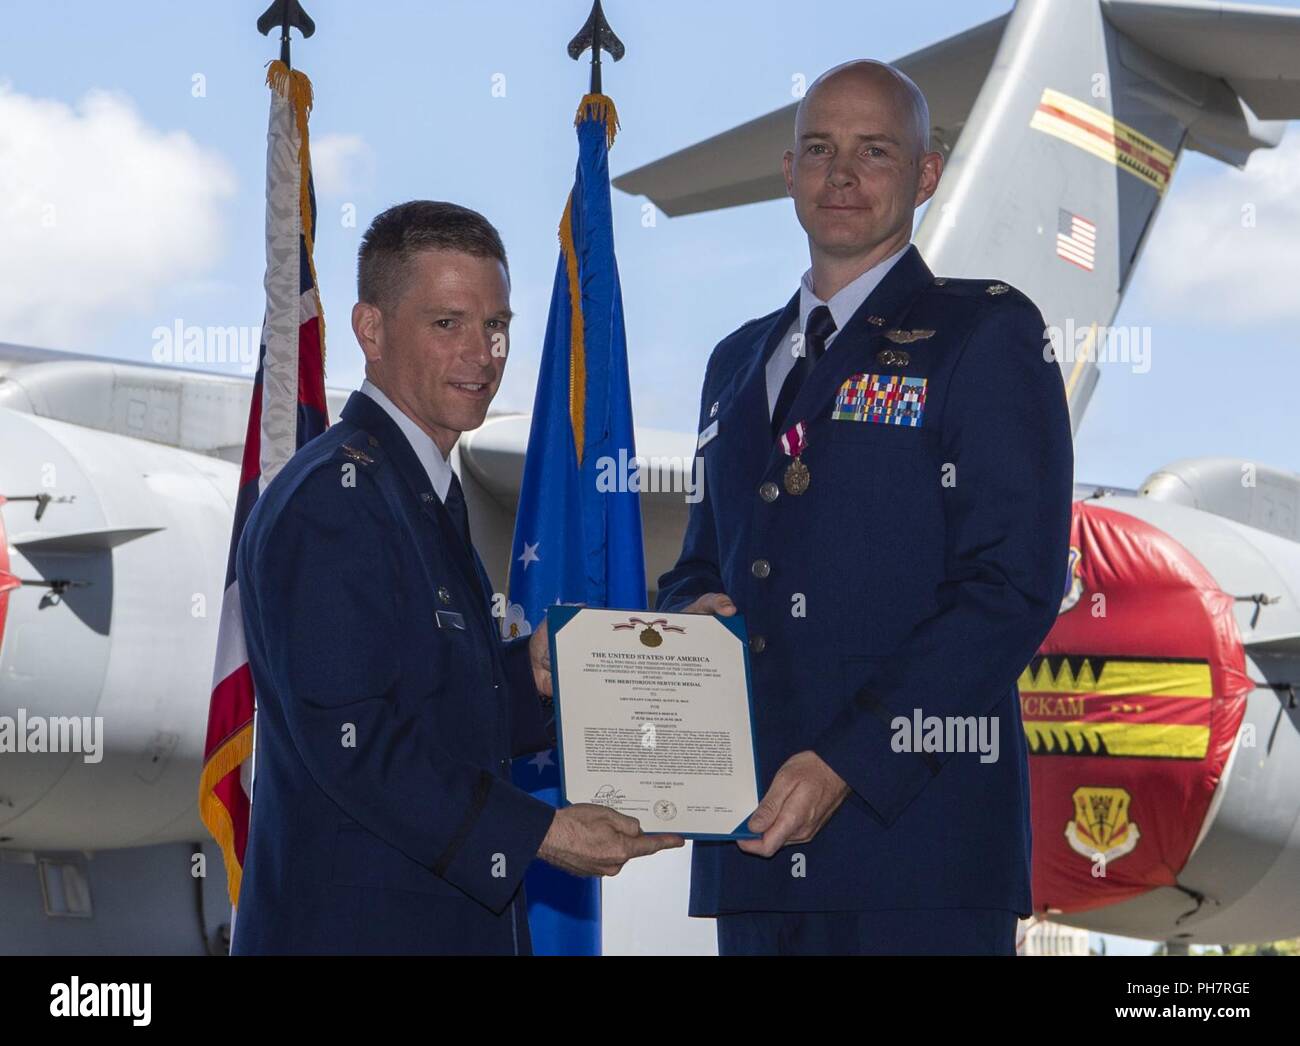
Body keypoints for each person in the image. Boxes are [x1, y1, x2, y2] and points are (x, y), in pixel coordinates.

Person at [656, 61, 1073, 955]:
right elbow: (705, 560)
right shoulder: (736, 361)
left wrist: (851, 761)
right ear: (788, 173)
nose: (839, 175)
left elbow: (1013, 584)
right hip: (756, 850)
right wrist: (687, 614)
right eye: (818, 150)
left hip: (917, 856)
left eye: (873, 151)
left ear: (926, 175)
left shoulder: (985, 333)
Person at [234, 200, 681, 955]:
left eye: (496, 325)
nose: (482, 354)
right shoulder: (336, 500)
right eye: (448, 324)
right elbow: (356, 742)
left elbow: (433, 716)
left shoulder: (416, 490)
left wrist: (532, 674)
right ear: (370, 329)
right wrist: (540, 831)